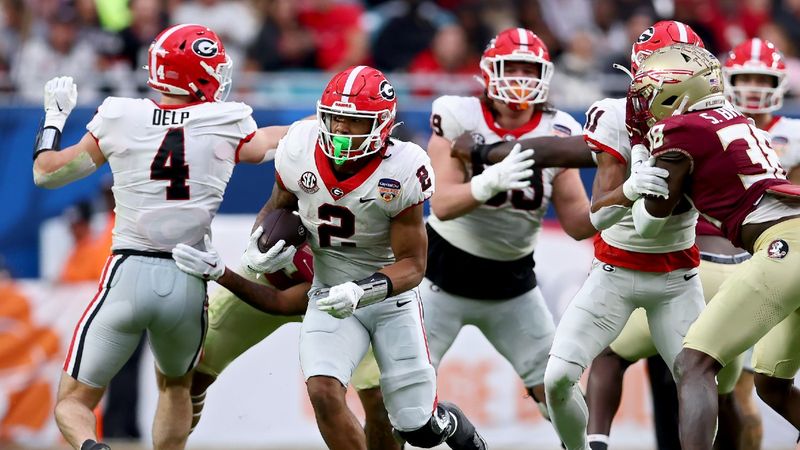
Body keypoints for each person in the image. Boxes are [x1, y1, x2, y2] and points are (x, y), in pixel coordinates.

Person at [446, 21, 725, 450]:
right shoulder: (615, 115)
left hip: (678, 276)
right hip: (615, 270)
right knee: (557, 378)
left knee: (700, 375)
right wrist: (631, 188)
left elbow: (693, 211)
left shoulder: (714, 124)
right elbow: (596, 209)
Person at [32, 24, 295, 450]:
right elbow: (274, 142)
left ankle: (92, 447)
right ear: (196, 74)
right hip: (187, 278)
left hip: (127, 274)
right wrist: (322, 121)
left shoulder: (120, 115)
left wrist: (54, 118)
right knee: (175, 387)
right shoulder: (226, 121)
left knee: (74, 401)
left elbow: (46, 173)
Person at [243, 65, 487, 450]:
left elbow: (413, 266)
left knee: (416, 429)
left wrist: (361, 291)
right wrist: (257, 245)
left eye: (354, 121)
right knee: (323, 390)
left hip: (390, 301)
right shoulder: (300, 147)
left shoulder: (402, 167)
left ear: (382, 124)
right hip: (328, 291)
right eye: (334, 118)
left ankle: (448, 421)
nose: (340, 130)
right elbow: (277, 207)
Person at [626, 42, 800, 450]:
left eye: (653, 92)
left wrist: (633, 183)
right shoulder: (741, 122)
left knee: (695, 363)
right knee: (771, 384)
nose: (647, 103)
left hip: (785, 245)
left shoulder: (681, 129)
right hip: (788, 240)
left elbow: (651, 223)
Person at [423, 26, 594, 432]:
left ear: (544, 76)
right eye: (511, 68)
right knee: (402, 391)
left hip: (512, 283)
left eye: (528, 69)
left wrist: (626, 199)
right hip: (440, 274)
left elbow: (577, 222)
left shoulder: (558, 129)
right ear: (488, 72)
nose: (519, 78)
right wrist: (489, 182)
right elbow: (441, 204)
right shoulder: (458, 116)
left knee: (559, 388)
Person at [178, 239, 403, 450]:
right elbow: (273, 212)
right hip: (275, 276)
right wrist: (261, 238)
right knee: (188, 370)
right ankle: (169, 444)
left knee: (378, 401)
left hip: (351, 295)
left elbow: (281, 303)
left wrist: (222, 274)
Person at [724, 38, 800, 183]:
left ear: (778, 83)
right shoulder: (715, 129)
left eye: (763, 80)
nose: (754, 87)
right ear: (730, 81)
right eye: (745, 79)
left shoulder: (795, 133)